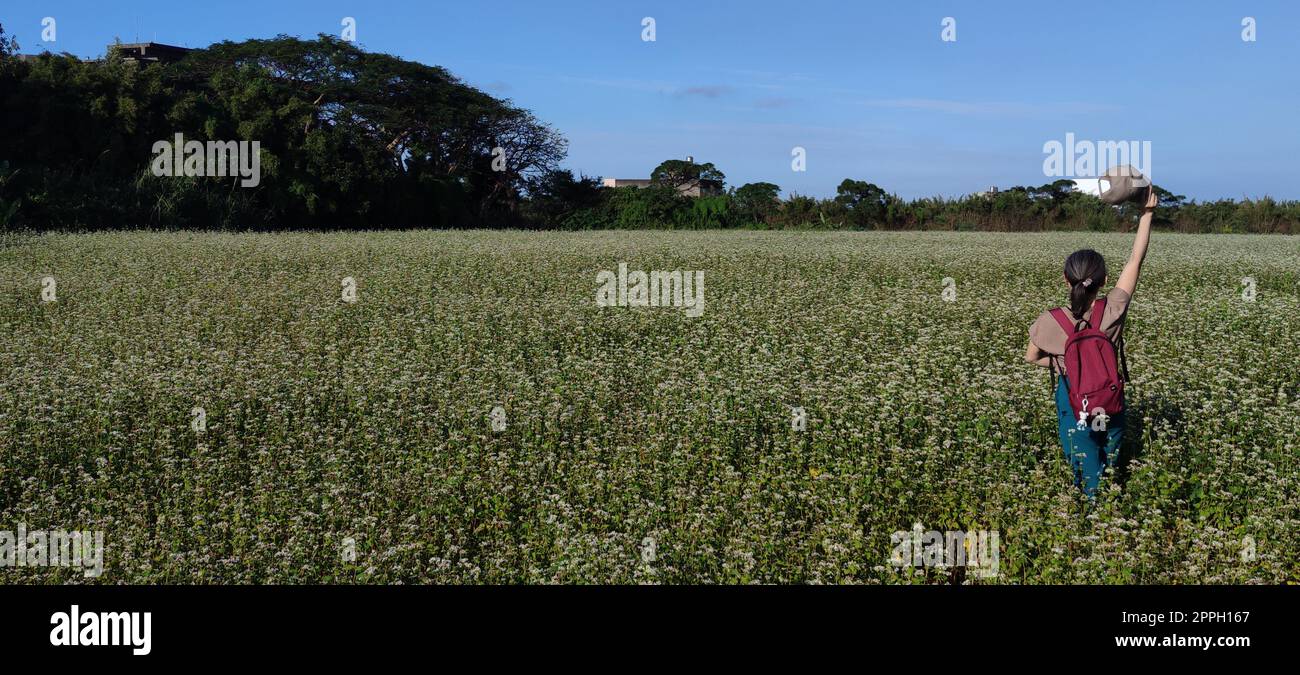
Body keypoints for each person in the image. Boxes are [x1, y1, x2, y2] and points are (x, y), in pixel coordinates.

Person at [1024, 187, 1158, 496]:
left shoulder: (1050, 321)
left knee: (1085, 462)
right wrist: (1147, 213)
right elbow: (1136, 260)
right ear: (1104, 281)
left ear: (1065, 279)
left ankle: (1092, 515)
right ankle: (1110, 502)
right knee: (1109, 454)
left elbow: (1031, 358)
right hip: (1109, 395)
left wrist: (1064, 362)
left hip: (1073, 398)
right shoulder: (1111, 310)